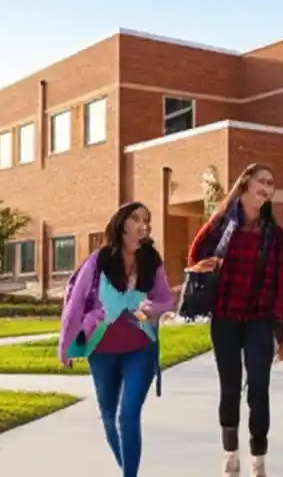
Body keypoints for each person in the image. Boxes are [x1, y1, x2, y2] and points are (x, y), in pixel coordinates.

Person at [59, 201, 174, 477]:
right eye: (136, 218)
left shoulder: (151, 259)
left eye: (146, 220)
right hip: (102, 349)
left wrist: (153, 309)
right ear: (122, 223)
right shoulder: (99, 260)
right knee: (109, 418)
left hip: (141, 348)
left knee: (128, 415)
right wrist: (65, 346)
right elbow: (75, 304)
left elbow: (165, 298)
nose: (143, 224)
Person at [187, 163, 283, 477]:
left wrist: (279, 331)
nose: (267, 188)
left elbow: (279, 286)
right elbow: (194, 256)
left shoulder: (275, 234)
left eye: (271, 184)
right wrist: (207, 263)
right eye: (262, 181)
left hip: (259, 320)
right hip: (226, 318)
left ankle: (258, 457)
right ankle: (230, 453)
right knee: (229, 386)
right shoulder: (220, 223)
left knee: (259, 388)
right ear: (245, 184)